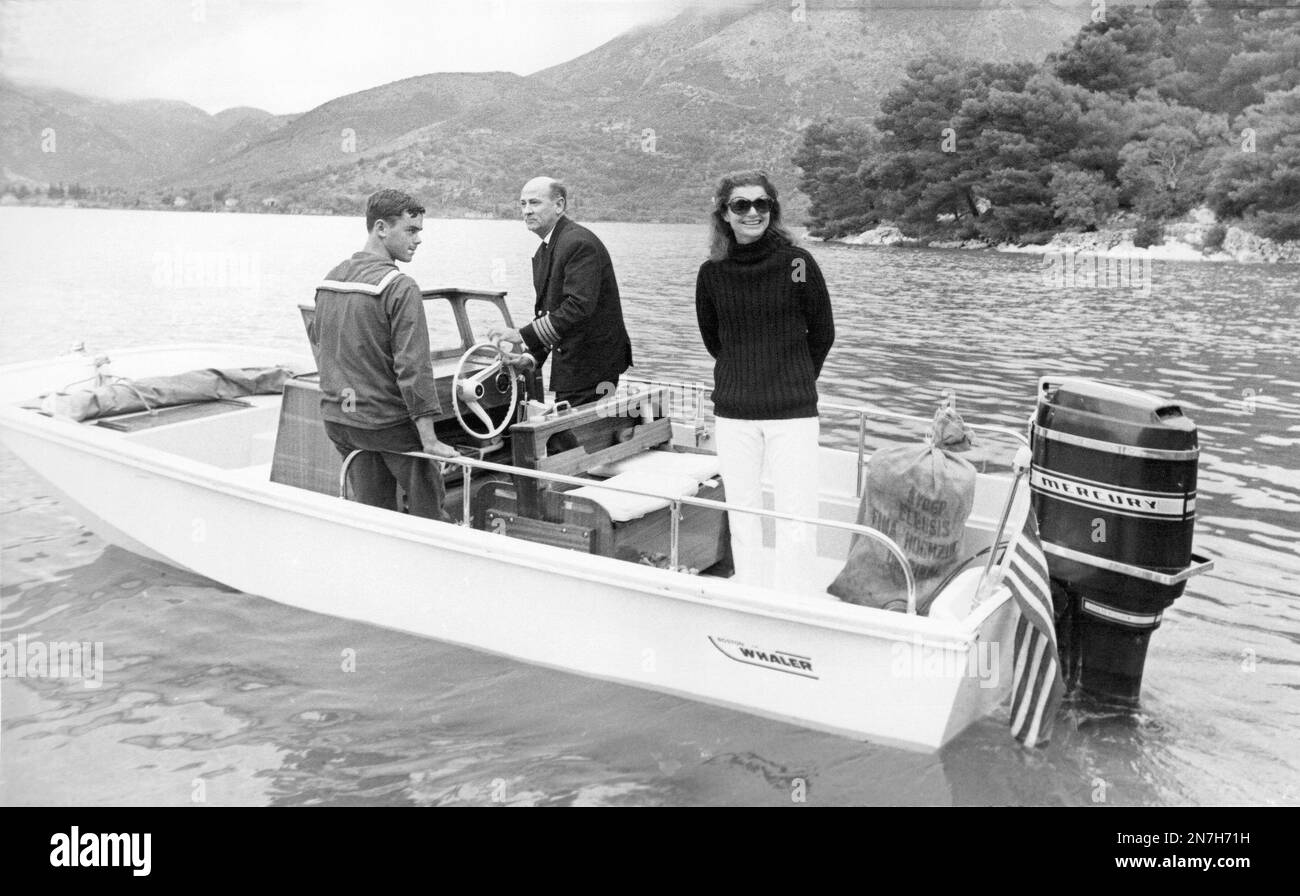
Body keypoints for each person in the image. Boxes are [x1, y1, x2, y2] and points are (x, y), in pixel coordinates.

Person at [695, 170, 835, 592]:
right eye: (741, 205)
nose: (752, 212)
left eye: (762, 204)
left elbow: (822, 332)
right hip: (735, 413)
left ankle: (794, 600)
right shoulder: (712, 273)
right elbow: (714, 340)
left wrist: (790, 378)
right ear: (724, 213)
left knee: (796, 515)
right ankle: (751, 592)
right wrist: (747, 376)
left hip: (792, 413)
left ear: (772, 210)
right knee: (743, 513)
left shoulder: (796, 264)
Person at [310, 188, 458, 521]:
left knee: (374, 512)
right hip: (386, 425)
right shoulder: (400, 287)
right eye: (411, 230)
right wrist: (430, 440)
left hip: (340, 419)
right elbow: (414, 368)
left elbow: (322, 348)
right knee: (428, 513)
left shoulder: (329, 280)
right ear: (380, 228)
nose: (418, 239)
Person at [490, 176, 632, 409]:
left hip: (592, 364)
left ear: (559, 205)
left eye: (534, 203)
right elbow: (552, 312)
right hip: (576, 363)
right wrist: (530, 357)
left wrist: (521, 335)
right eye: (522, 204)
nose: (526, 211)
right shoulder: (549, 247)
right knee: (566, 434)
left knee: (569, 437)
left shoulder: (578, 243)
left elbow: (578, 307)